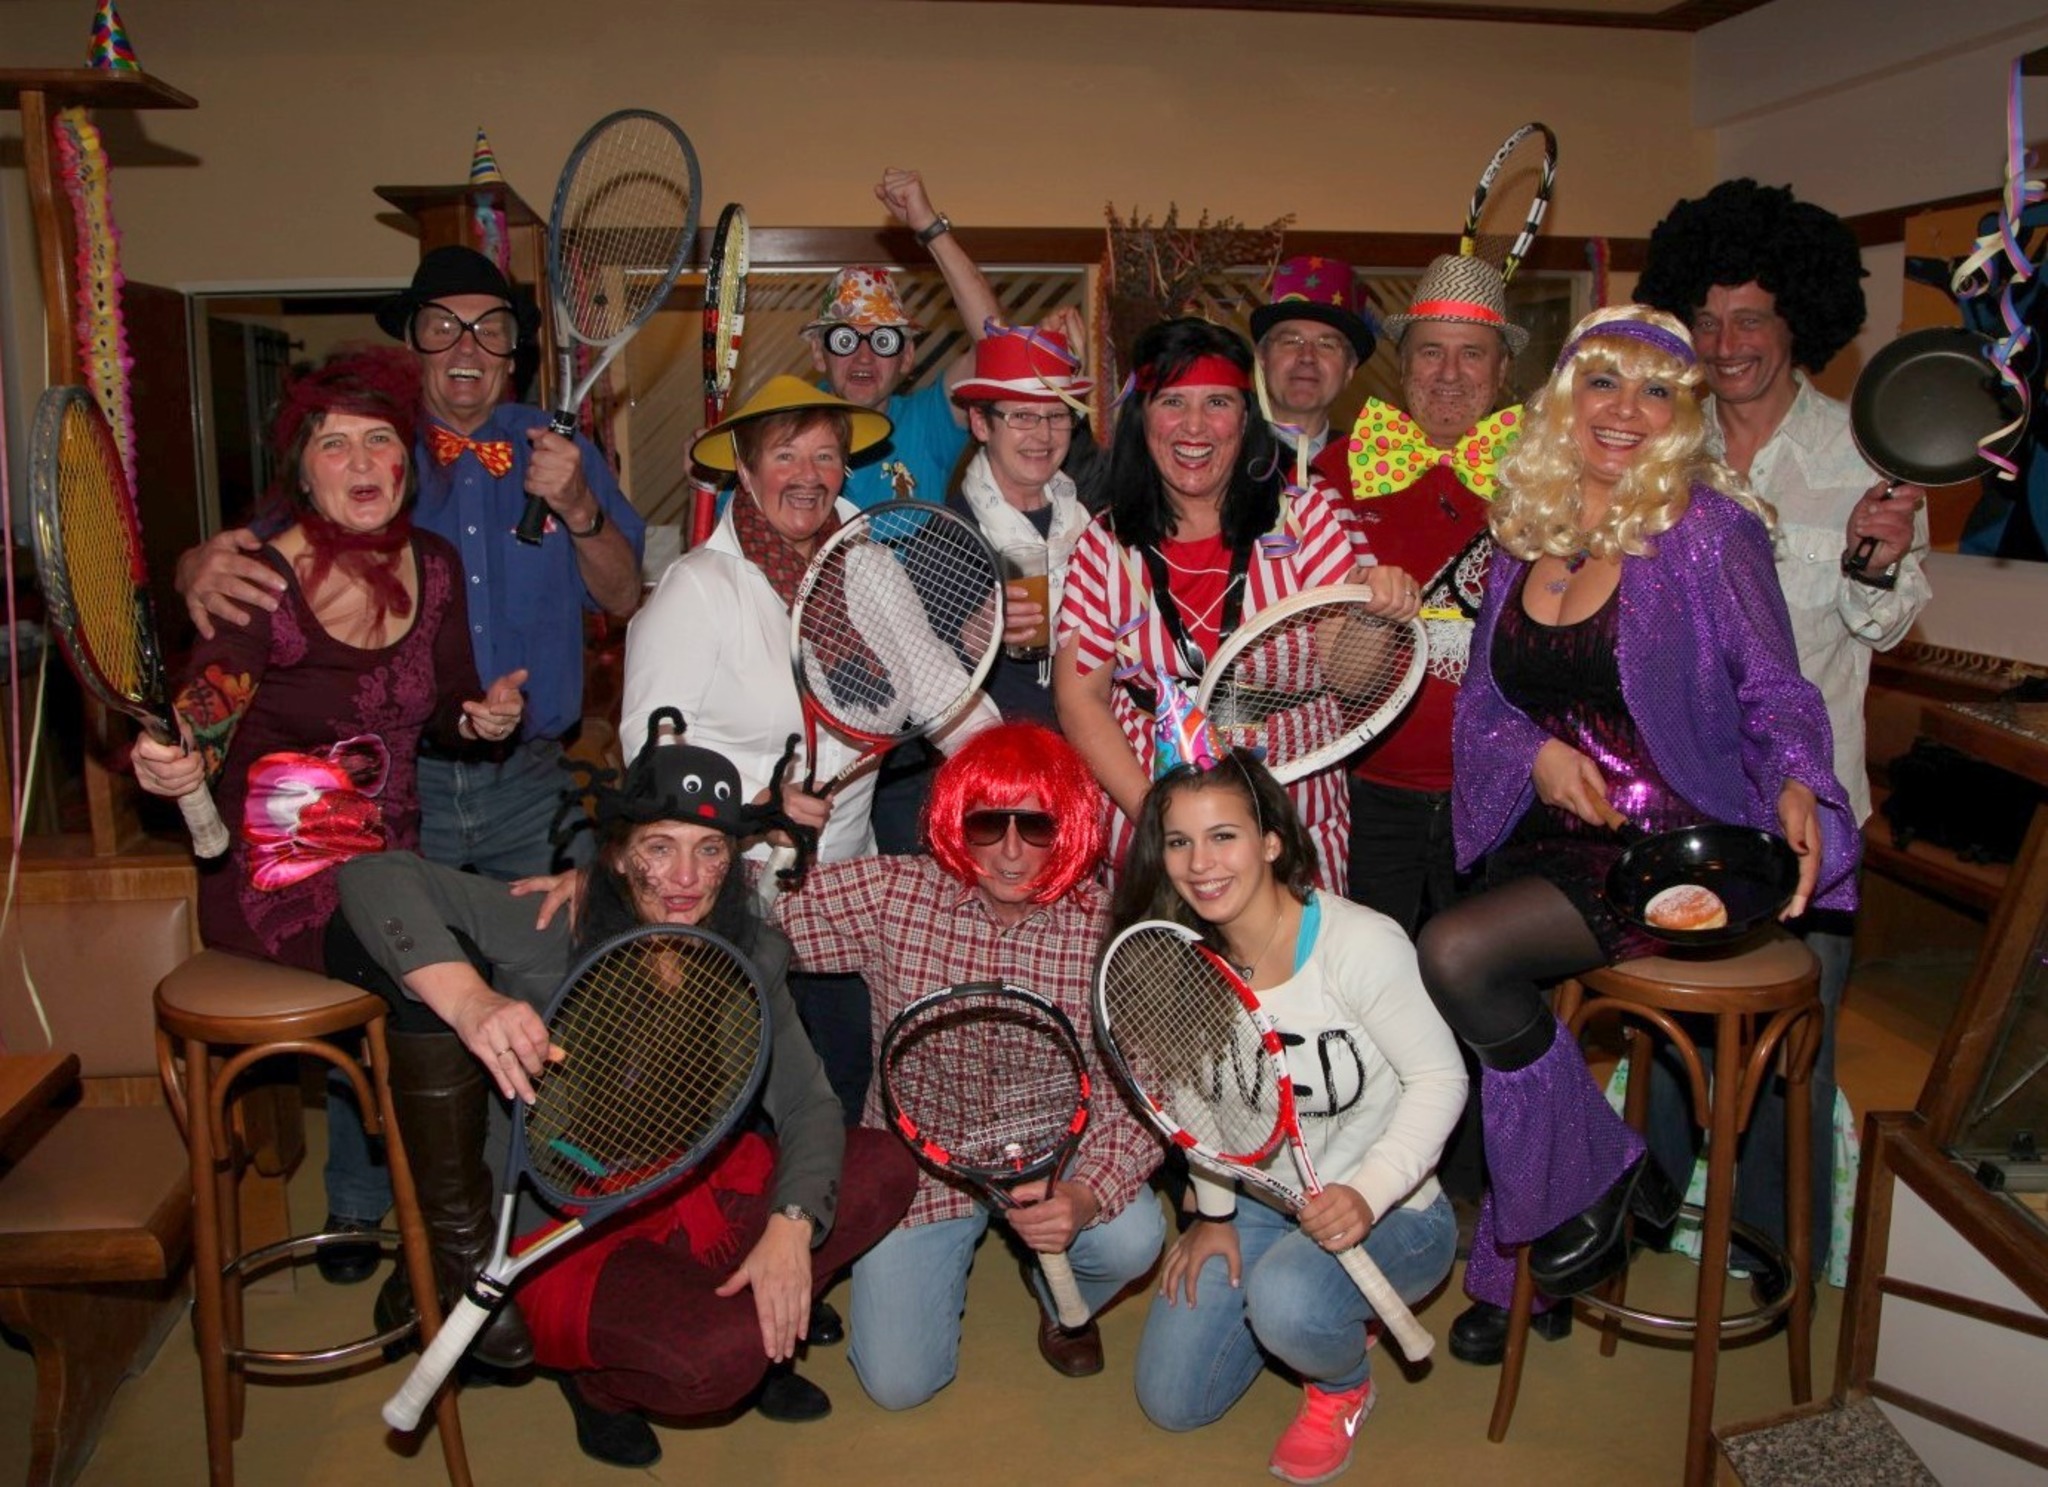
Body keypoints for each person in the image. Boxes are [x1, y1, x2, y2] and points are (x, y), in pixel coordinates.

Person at [1413, 305, 1858, 1368]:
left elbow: (1778, 690)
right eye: (1601, 384)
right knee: (1467, 959)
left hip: (1676, 845)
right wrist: (1532, 756)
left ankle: (1596, 1183)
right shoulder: (1525, 526)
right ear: (1563, 402)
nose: (1624, 411)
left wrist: (1799, 780)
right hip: (1553, 835)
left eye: (1654, 390)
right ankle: (1542, 1254)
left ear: (1679, 415)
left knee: (1460, 955)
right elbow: (1484, 701)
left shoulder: (1707, 531)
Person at [330, 715, 917, 1468]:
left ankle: (761, 1303)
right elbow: (370, 877)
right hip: (573, 1221)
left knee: (884, 1165)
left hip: (696, 1181)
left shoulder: (751, 950)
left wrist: (791, 1226)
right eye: (658, 848)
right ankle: (601, 1382)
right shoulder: (550, 925)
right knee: (711, 1365)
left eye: (709, 850)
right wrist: (472, 1001)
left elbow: (807, 1104)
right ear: (614, 855)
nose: (686, 878)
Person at [131, 348, 530, 1322]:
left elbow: (443, 700)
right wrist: (174, 755)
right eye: (333, 443)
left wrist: (473, 719)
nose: (359, 460)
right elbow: (204, 705)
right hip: (282, 871)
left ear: (408, 461)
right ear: (301, 470)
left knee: (485, 951)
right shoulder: (259, 580)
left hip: (396, 865)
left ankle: (437, 1258)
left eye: (380, 439)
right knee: (439, 985)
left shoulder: (433, 567)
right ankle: (461, 1263)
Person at [1638, 179, 1932, 1285]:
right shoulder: (1661, 456)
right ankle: (1644, 1215)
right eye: (1705, 321)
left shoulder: (1863, 459)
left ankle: (1778, 1248)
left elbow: (1885, 618)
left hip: (1811, 810)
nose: (1725, 344)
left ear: (1792, 321)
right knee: (1666, 1038)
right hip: (1676, 802)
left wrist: (1871, 551)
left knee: (1788, 1044)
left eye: (1748, 318)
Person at [179, 246, 646, 878]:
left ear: (512, 353)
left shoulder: (563, 451)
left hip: (531, 787)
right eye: (442, 327)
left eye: (491, 331)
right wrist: (192, 565)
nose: (467, 348)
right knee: (407, 962)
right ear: (412, 342)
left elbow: (622, 597)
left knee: (564, 958)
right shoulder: (369, 453)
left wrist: (578, 505)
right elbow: (258, 563)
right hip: (396, 783)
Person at [622, 376, 999, 1124]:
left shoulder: (868, 568)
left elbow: (946, 700)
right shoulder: (698, 587)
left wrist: (1026, 773)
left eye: (825, 455)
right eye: (785, 454)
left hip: (840, 899)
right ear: (746, 467)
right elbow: (649, 757)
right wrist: (756, 804)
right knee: (736, 1107)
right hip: (726, 900)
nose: (808, 475)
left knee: (836, 1094)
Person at [771, 723, 1166, 1408]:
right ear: (958, 822)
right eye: (988, 824)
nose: (1012, 851)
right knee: (898, 1384)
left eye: (1036, 826)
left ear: (1067, 827)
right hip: (921, 1163)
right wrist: (751, 846)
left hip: (1057, 1154)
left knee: (1133, 1236)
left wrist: (1084, 1195)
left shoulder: (1106, 928)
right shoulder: (895, 893)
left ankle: (1054, 1289)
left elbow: (1147, 1090)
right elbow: (761, 925)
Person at [1114, 727, 1464, 1487]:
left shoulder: (1361, 944)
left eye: (1224, 835)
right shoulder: (1178, 957)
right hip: (1264, 1204)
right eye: (1179, 841)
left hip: (1398, 1207)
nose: (1200, 863)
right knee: (1173, 1399)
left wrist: (1366, 1195)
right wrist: (1213, 1213)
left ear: (1272, 842)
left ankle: (1340, 1384)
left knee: (1288, 1301)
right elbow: (1193, 1101)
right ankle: (1319, 1304)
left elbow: (1443, 1079)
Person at [1054, 317, 1418, 889]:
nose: (1194, 426)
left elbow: (1351, 678)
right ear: (1142, 418)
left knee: (1290, 973)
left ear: (1247, 417)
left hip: (1291, 800)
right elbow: (1080, 697)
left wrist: (1376, 616)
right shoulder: (1105, 541)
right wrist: (1159, 818)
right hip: (1149, 797)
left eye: (1217, 402)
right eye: (1172, 401)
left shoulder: (1305, 513)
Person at [1313, 253, 1527, 937]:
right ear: (1402, 367)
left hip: (1499, 791)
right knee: (1370, 993)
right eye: (1430, 352)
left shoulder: (1544, 476)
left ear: (1502, 372)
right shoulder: (1334, 471)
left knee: (1486, 996)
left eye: (1472, 355)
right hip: (1364, 790)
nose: (1449, 374)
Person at [807, 169, 1003, 511]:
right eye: (845, 340)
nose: (863, 357)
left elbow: (995, 341)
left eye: (882, 341)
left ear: (907, 356)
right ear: (819, 353)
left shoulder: (926, 425)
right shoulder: (779, 432)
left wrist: (930, 227)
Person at [938, 313, 1096, 727]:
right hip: (997, 769)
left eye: (1057, 416)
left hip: (1088, 754)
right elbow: (919, 689)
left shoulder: (1089, 524)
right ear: (980, 423)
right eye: (1022, 417)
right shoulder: (946, 535)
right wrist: (971, 641)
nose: (1043, 436)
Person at [1250, 254, 1377, 464]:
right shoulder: (1223, 456)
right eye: (1291, 341)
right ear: (1262, 357)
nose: (1307, 357)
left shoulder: (1368, 472)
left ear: (1349, 369)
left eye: (1326, 344)